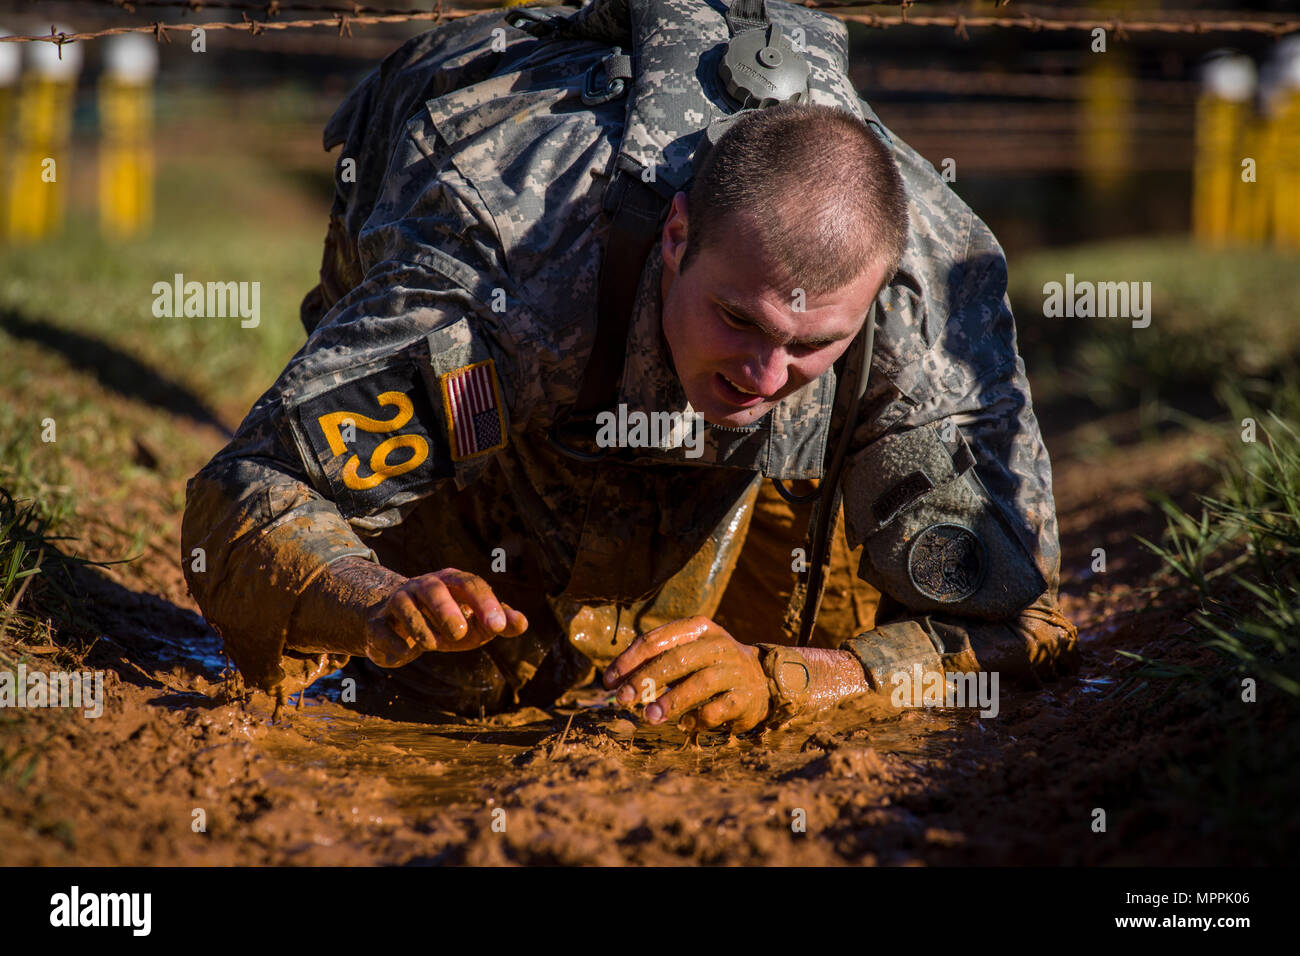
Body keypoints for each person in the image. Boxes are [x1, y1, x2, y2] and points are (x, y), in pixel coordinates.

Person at [181, 0, 1078, 732]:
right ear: (677, 238)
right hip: (507, 268)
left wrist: (799, 676)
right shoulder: (505, 264)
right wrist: (375, 596)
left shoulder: (928, 296)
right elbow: (242, 495)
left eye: (811, 347)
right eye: (739, 320)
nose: (766, 376)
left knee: (806, 629)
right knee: (444, 678)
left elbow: (1025, 624)